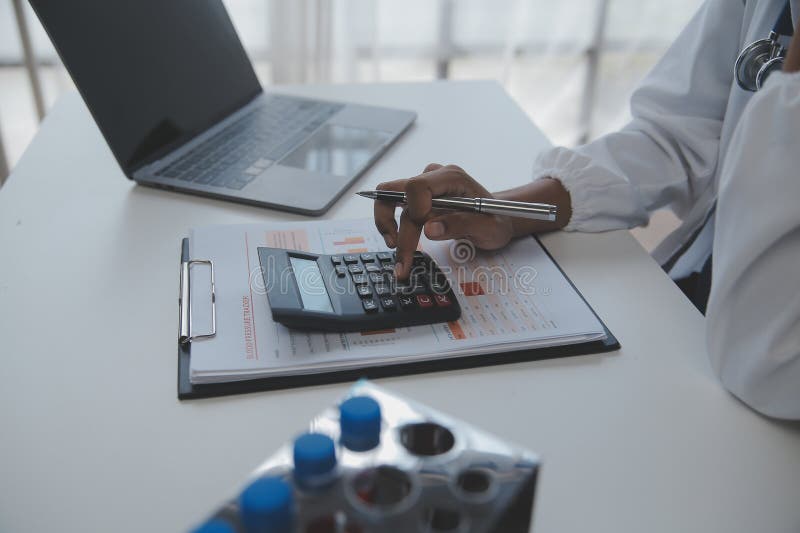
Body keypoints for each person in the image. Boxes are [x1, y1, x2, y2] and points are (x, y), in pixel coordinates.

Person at [372, 0, 800, 420]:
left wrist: (788, 98)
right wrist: (506, 213)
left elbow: (763, 369)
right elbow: (674, 135)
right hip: (685, 311)